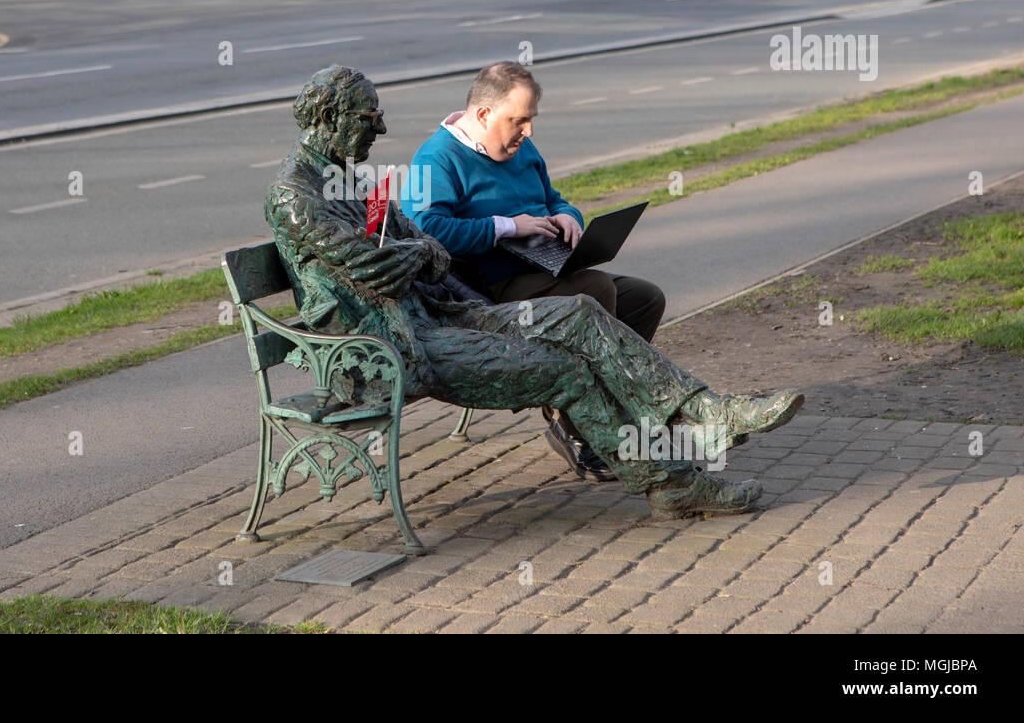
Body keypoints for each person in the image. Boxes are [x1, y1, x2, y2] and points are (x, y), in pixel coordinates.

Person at [265, 65, 804, 519]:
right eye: (368, 117)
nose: (380, 128)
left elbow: (428, 253)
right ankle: (676, 484)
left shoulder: (352, 182)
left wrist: (422, 253)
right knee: (567, 366)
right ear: (329, 117)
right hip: (386, 349)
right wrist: (422, 252)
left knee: (581, 314)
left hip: (445, 314)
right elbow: (385, 263)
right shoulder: (295, 192)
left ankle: (711, 411)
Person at [400, 61, 667, 482]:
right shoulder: (436, 159)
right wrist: (508, 225)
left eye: (530, 120)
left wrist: (568, 217)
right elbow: (425, 231)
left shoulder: (520, 149)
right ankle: (586, 431)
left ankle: (607, 409)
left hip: (548, 266)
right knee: (595, 291)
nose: (527, 132)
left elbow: (554, 198)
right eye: (518, 120)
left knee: (646, 298)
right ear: (484, 115)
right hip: (489, 291)